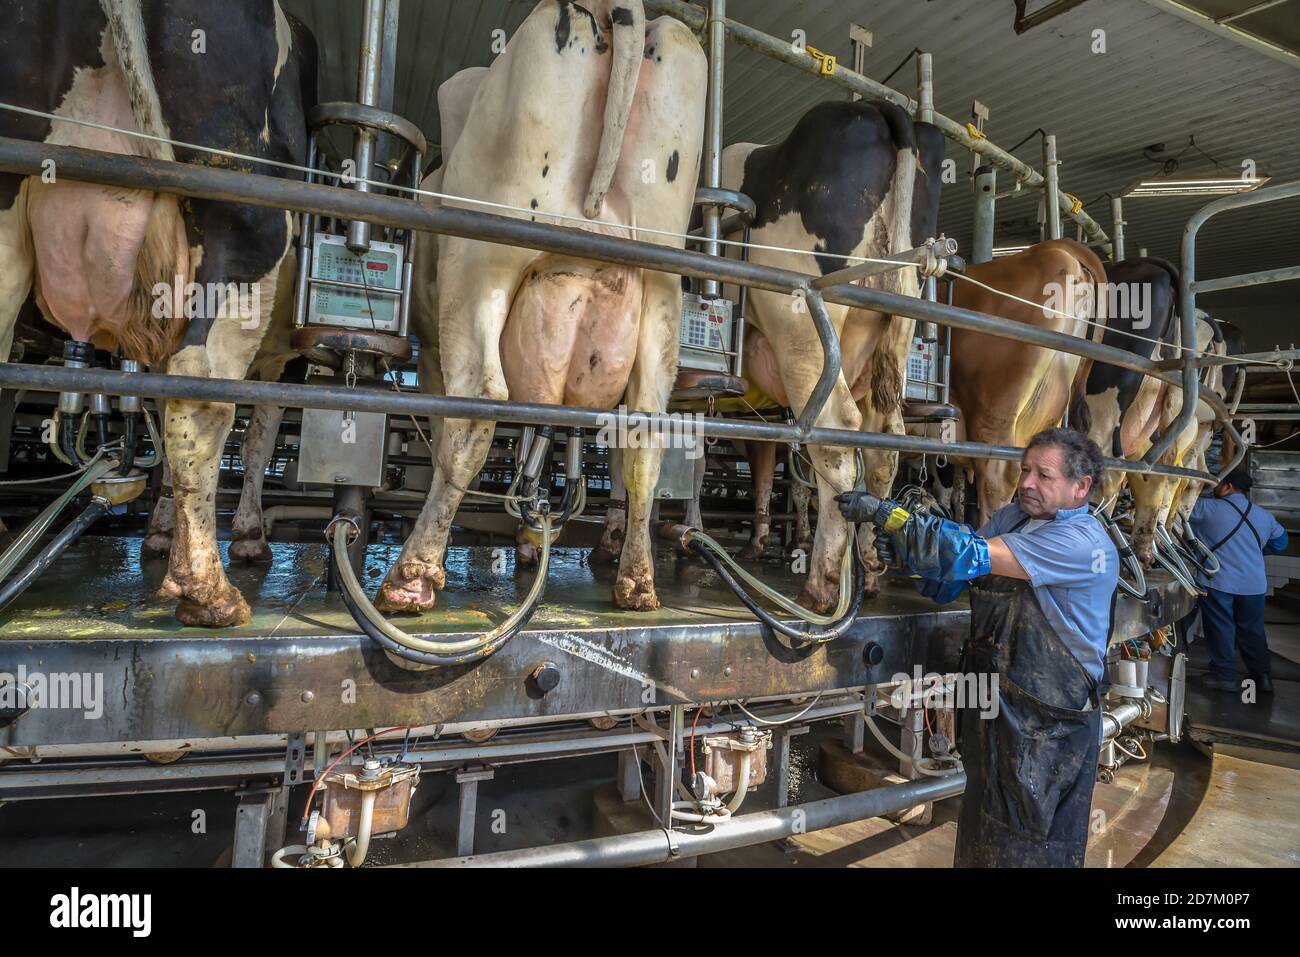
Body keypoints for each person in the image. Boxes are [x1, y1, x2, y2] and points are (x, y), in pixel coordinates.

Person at [837, 428, 1118, 867]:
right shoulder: (1014, 518)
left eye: (1043, 475)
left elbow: (969, 555)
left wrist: (893, 518)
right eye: (1025, 470)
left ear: (1080, 488)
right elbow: (953, 576)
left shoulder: (1082, 543)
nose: (1026, 482)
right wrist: (914, 556)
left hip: (1048, 723)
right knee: (984, 824)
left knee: (1030, 841)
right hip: (1000, 709)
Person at [1188, 467, 1288, 693]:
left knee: (1221, 627)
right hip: (1253, 584)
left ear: (1228, 487)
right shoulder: (1264, 515)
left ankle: (1224, 676)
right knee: (1252, 629)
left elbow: (1169, 512)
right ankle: (1261, 677)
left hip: (1218, 582)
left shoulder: (1204, 508)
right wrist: (1250, 552)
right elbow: (1281, 543)